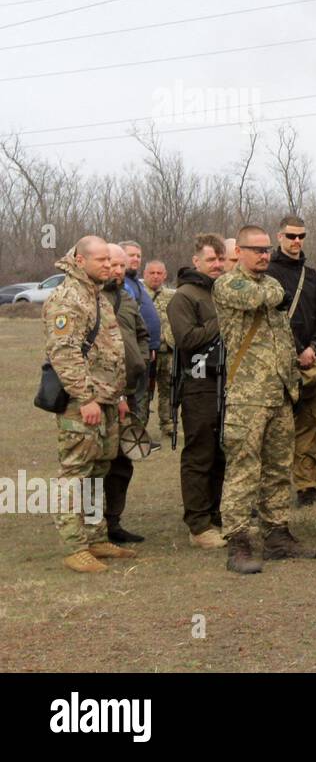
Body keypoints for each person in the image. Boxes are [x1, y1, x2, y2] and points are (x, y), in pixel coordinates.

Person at [213, 225, 316, 573]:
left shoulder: (271, 282)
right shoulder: (228, 284)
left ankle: (277, 534)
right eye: (256, 250)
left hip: (279, 393)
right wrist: (275, 292)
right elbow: (258, 298)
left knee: (277, 469)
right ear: (238, 252)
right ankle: (239, 541)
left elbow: (277, 298)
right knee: (243, 469)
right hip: (248, 396)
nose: (264, 256)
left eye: (266, 250)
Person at [43, 236, 132, 573]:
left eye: (111, 261)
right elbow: (64, 354)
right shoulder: (67, 298)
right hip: (81, 402)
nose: (108, 266)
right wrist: (85, 398)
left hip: (106, 399)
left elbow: (109, 352)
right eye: (101, 261)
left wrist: (118, 397)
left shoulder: (98, 295)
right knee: (75, 472)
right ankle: (73, 545)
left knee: (99, 470)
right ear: (80, 260)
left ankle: (95, 537)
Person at [263, 216, 316, 508]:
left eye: (301, 236)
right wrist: (297, 349)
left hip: (310, 362)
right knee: (277, 430)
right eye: (291, 236)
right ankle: (269, 491)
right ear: (279, 237)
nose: (296, 241)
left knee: (311, 425)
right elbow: (271, 321)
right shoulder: (267, 273)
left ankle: (307, 487)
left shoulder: (312, 276)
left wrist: (314, 347)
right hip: (279, 364)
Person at [167, 234, 228, 549]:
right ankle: (198, 524)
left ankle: (217, 516)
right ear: (196, 261)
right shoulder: (185, 296)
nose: (217, 265)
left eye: (221, 259)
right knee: (200, 454)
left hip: (225, 383)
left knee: (222, 452)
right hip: (199, 383)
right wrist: (223, 321)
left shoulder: (222, 291)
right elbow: (187, 340)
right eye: (211, 260)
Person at [102, 243, 152, 544]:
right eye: (112, 264)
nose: (118, 270)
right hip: (103, 395)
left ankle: (113, 521)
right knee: (98, 462)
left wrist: (141, 361)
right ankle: (92, 527)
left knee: (123, 461)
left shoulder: (127, 298)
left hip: (130, 392)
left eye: (122, 266)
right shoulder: (92, 299)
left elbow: (142, 334)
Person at [119, 240, 161, 428]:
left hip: (145, 348)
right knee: (134, 393)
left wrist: (151, 346)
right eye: (131, 255)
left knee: (143, 393)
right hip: (133, 350)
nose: (136, 259)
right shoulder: (123, 284)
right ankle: (132, 433)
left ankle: (138, 432)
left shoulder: (135, 282)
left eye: (138, 255)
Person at [142, 259, 175, 441]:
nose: (155, 277)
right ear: (144, 275)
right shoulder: (137, 296)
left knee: (168, 389)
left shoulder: (172, 296)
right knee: (145, 391)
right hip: (147, 352)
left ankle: (168, 424)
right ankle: (140, 425)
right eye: (151, 273)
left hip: (168, 351)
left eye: (159, 273)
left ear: (165, 275)